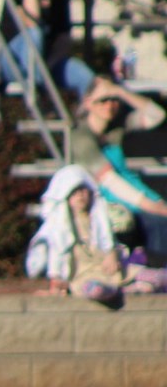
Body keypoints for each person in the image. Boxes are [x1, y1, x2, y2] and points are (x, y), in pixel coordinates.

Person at [70, 74, 167, 258]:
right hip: (111, 203)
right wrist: (151, 206)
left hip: (138, 196)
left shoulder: (115, 130)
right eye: (103, 100)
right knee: (158, 224)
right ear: (88, 103)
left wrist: (120, 91)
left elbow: (157, 115)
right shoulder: (81, 138)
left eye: (113, 100)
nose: (109, 105)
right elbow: (110, 181)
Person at [26, 165, 127, 307]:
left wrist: (112, 253)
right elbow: (56, 252)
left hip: (111, 272)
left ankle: (126, 288)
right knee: (96, 290)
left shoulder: (98, 220)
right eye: (74, 192)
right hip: (83, 277)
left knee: (151, 277)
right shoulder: (60, 226)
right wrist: (56, 281)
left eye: (83, 190)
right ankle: (115, 291)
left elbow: (112, 237)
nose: (80, 195)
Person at [0, 0, 95, 98]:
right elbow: (31, 26)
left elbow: (62, 41)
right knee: (34, 34)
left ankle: (89, 111)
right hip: (14, 63)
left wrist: (46, 69)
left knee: (85, 76)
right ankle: (38, 87)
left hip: (47, 65)